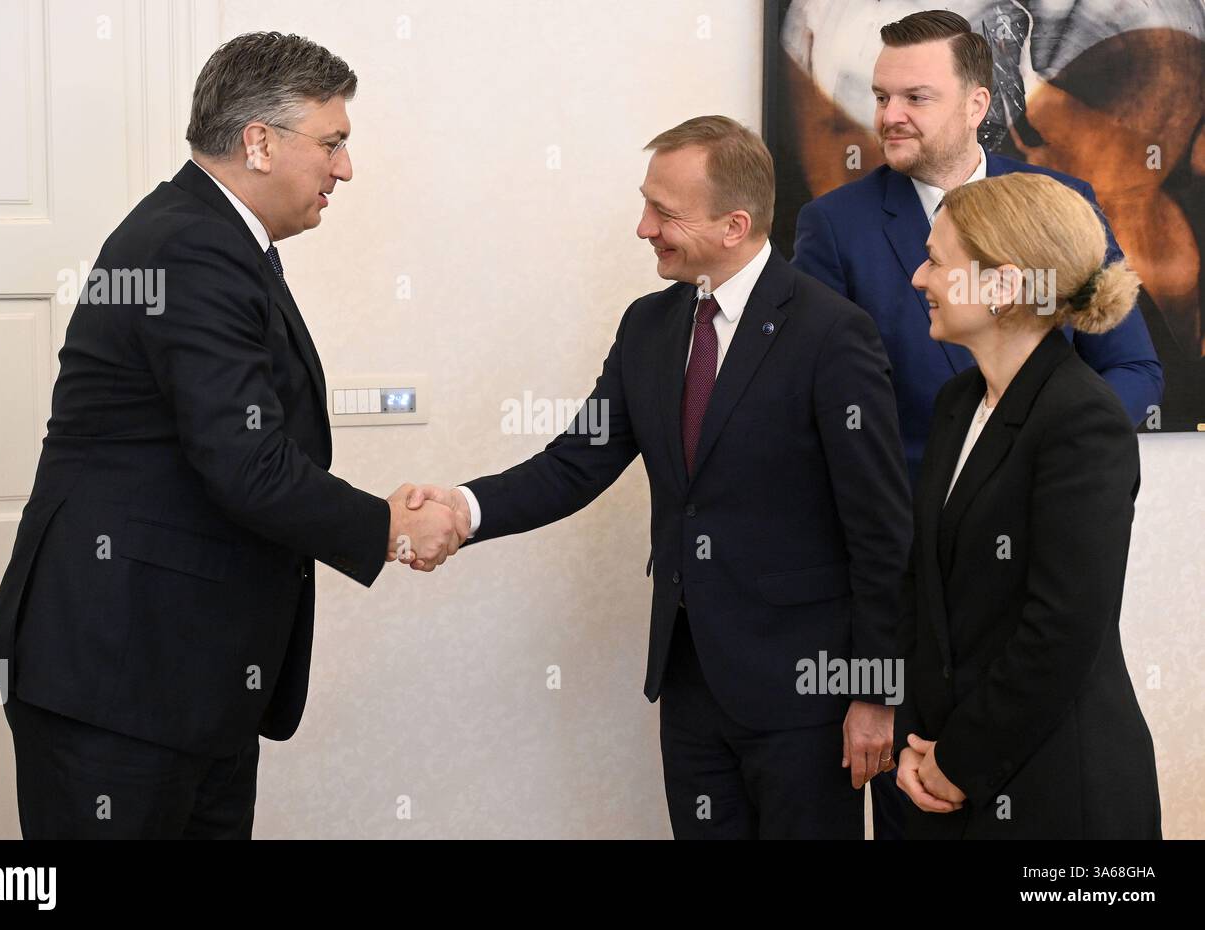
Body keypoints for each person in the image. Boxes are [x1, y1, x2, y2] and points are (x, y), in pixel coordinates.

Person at [0, 32, 466, 839]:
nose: (345, 169)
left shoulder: (219, 241)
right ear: (259, 142)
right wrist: (387, 526)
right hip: (119, 679)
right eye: (334, 143)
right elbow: (247, 464)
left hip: (183, 679)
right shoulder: (190, 246)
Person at [406, 116, 912, 839]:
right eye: (646, 204)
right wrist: (461, 507)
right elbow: (574, 462)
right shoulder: (648, 325)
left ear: (735, 225)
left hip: (809, 696)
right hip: (690, 678)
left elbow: (882, 529)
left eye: (663, 213)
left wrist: (876, 692)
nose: (643, 227)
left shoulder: (832, 334)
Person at [790, 8, 1163, 839]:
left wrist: (1044, 446)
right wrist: (882, 690)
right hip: (916, 628)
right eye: (881, 95)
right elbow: (827, 442)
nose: (890, 115)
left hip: (1027, 683)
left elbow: (1136, 372)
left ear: (977, 103)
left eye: (915, 96)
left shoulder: (1061, 207)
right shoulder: (834, 228)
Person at [894, 172, 1161, 839]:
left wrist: (955, 762)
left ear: (1003, 285)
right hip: (949, 780)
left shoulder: (1082, 420)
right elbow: (931, 601)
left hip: (1055, 793)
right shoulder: (957, 405)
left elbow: (1062, 630)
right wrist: (919, 742)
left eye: (936, 261)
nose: (918, 278)